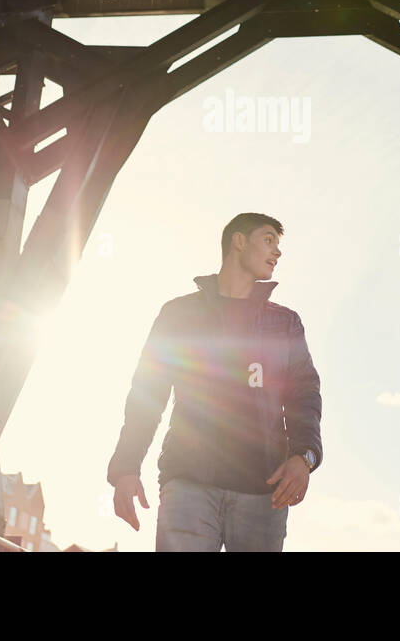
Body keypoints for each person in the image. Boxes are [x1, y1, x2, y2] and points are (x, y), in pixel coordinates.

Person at [106, 212, 323, 551]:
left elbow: (304, 396)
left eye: (278, 245)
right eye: (268, 240)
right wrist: (126, 467)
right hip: (189, 484)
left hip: (264, 491)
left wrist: (305, 455)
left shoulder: (285, 324)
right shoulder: (179, 314)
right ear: (238, 241)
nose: (277, 252)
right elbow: (147, 393)